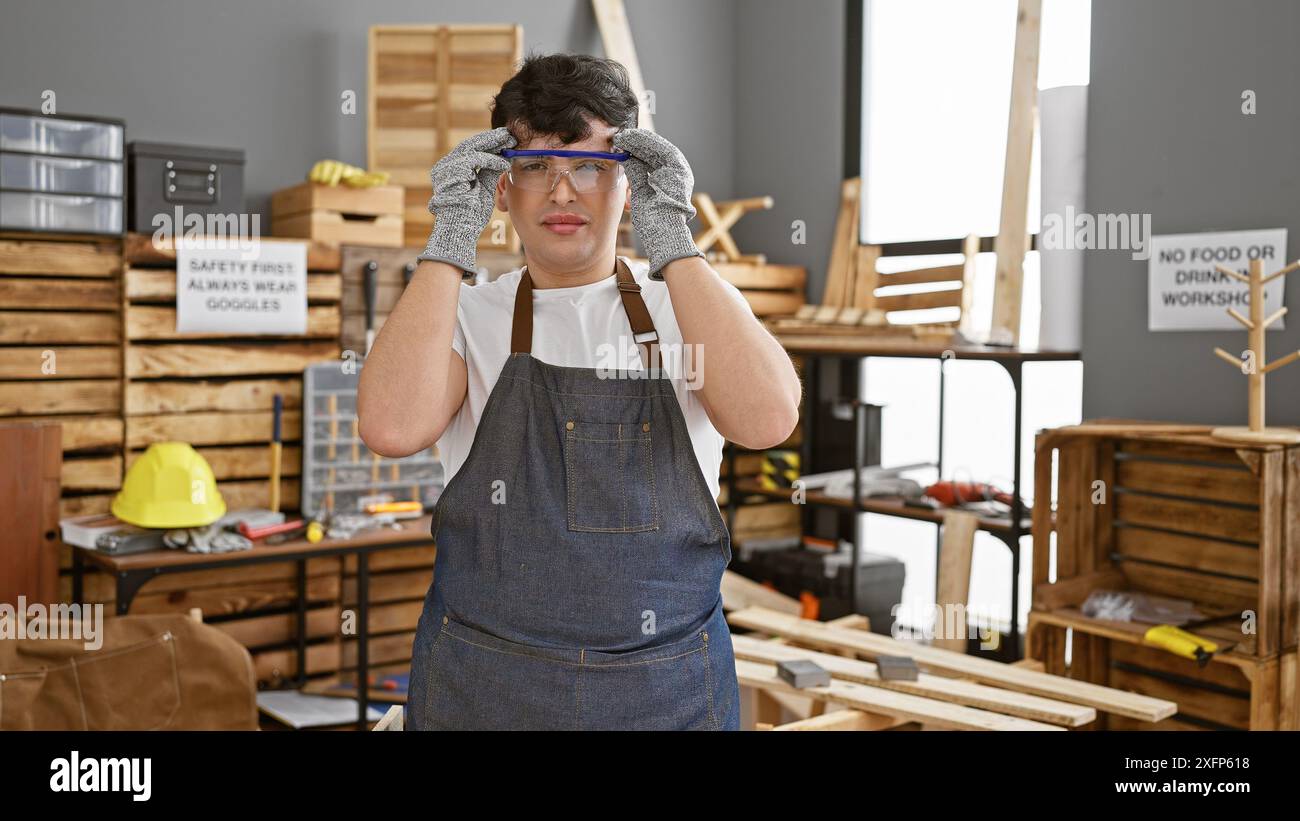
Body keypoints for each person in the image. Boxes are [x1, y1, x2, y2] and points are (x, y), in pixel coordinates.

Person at [358, 53, 801, 730]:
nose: (562, 193)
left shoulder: (685, 306)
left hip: (666, 698)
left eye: (592, 166)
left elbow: (769, 420)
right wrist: (449, 238)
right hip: (484, 695)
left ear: (633, 182)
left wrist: (675, 243)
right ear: (500, 187)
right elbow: (389, 427)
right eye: (536, 166)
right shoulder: (468, 315)